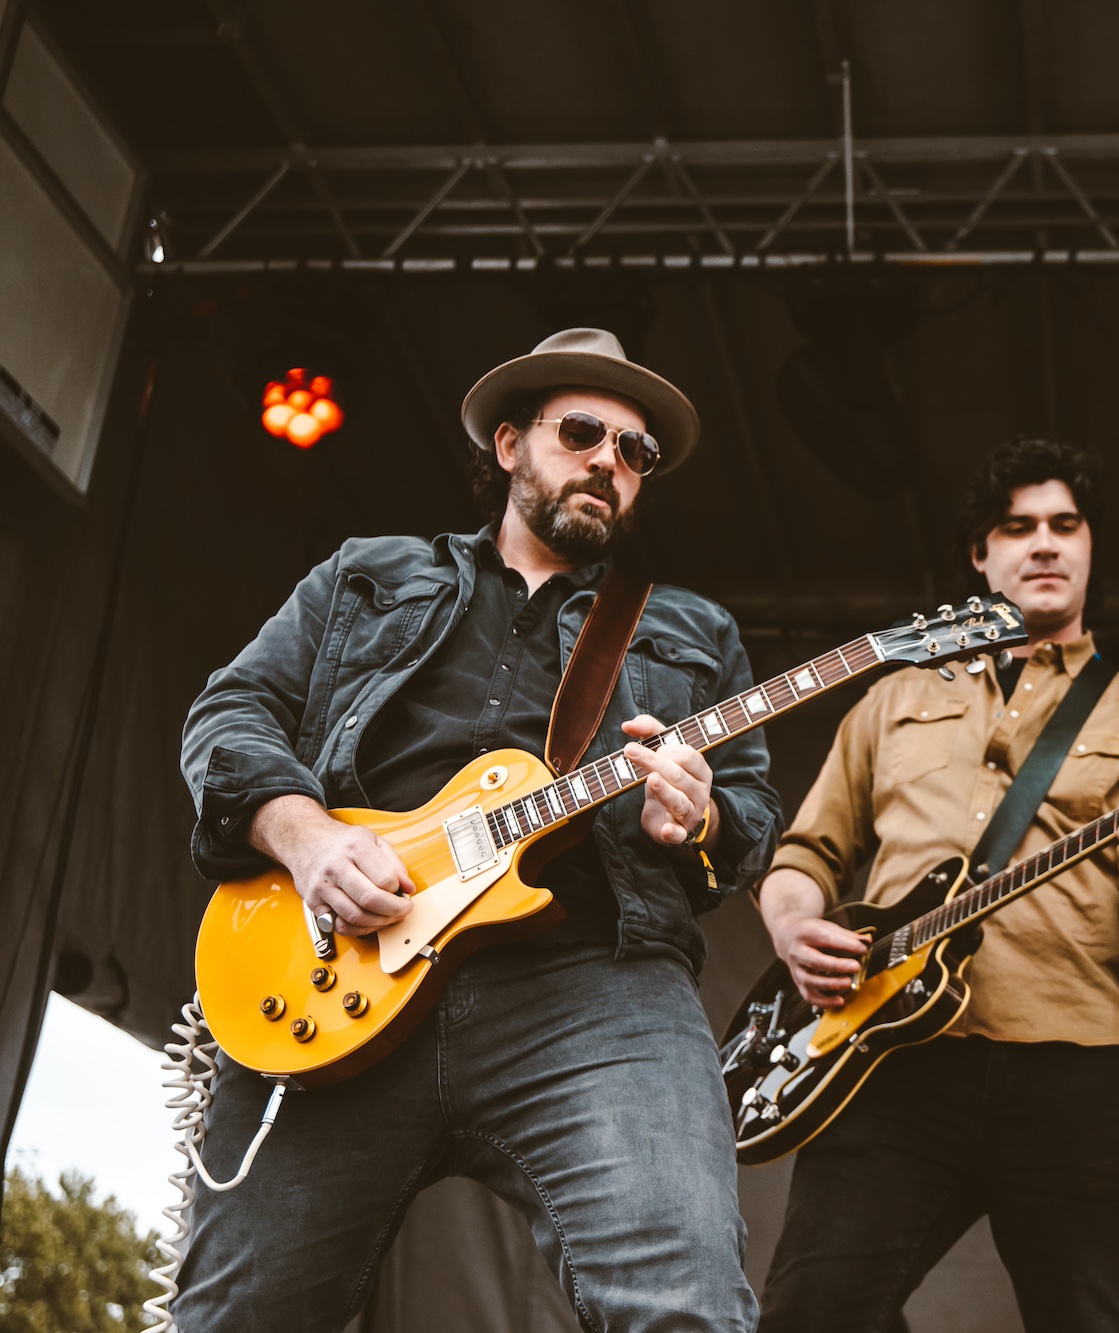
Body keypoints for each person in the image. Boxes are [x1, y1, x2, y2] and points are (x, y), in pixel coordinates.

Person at [174, 329, 781, 1332]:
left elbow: (746, 818)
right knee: (236, 1316)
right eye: (583, 432)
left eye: (636, 453)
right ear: (507, 444)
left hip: (597, 984)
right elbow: (229, 714)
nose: (609, 463)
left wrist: (699, 816)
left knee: (688, 1304)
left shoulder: (693, 630)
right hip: (344, 962)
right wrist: (308, 838)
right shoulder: (366, 574)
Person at [754, 437, 1119, 1332]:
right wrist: (791, 928)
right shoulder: (894, 698)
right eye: (1018, 527)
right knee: (809, 1313)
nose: (1044, 543)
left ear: (1090, 546)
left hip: (1077, 1067)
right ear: (980, 554)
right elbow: (807, 853)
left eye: (1065, 525)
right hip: (886, 1060)